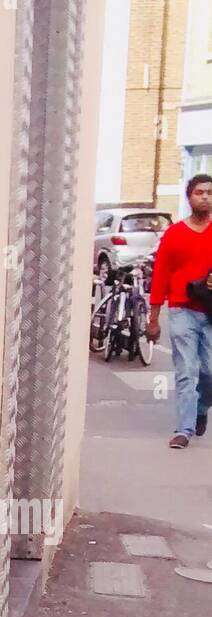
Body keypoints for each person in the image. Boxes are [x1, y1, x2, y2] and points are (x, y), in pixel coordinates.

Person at [146, 173, 212, 448]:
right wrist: (153, 318)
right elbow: (160, 275)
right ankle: (183, 429)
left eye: (209, 192)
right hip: (181, 310)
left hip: (210, 311)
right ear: (189, 197)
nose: (205, 197)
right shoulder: (175, 234)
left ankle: (199, 410)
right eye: (200, 192)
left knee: (209, 372)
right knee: (187, 370)